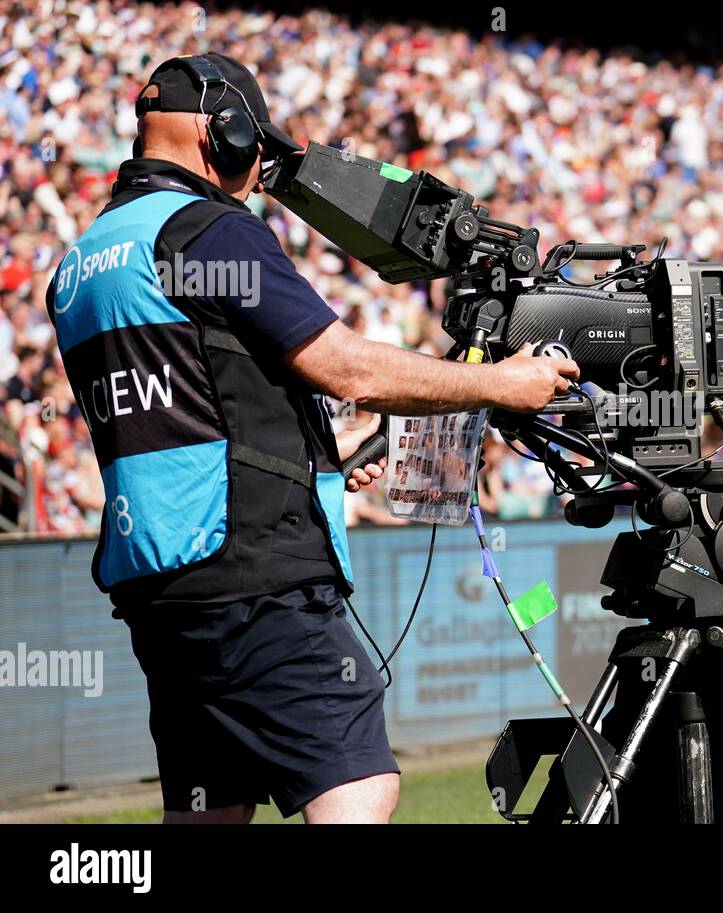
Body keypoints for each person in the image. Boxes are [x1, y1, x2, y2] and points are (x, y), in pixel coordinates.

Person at [45, 53, 578, 824]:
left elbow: (194, 396)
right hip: (256, 574)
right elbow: (344, 366)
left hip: (161, 586)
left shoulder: (84, 260)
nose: (259, 170)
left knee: (210, 808)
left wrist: (321, 452)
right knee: (358, 784)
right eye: (256, 147)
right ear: (222, 132)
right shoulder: (208, 235)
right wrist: (502, 383)